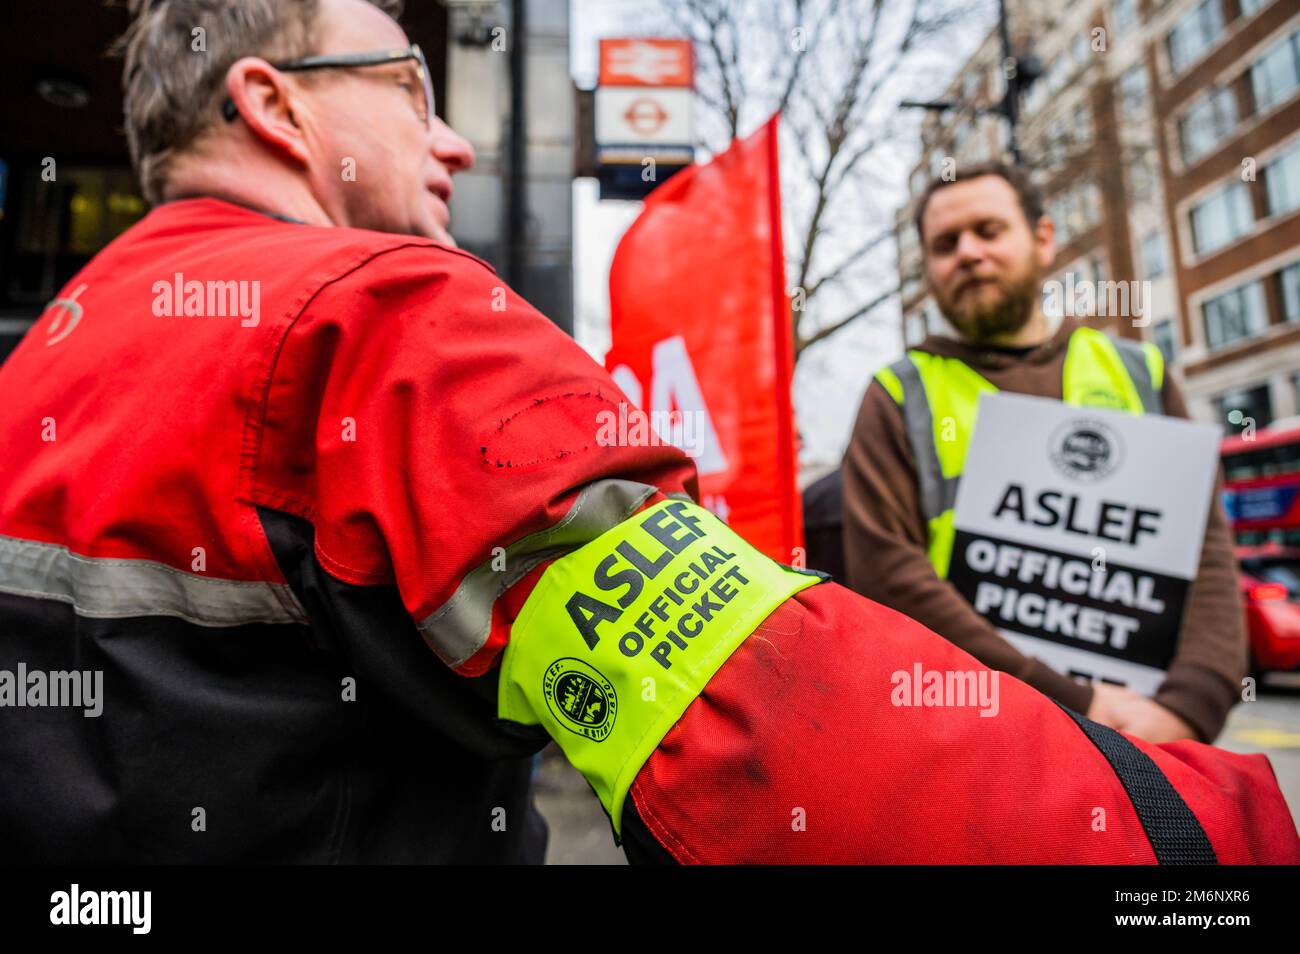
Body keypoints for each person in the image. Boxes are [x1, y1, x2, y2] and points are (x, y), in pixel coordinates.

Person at [0, 0, 1295, 864]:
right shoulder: (383, 314)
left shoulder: (42, 361)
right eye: (409, 87)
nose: (450, 140)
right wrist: (1222, 828)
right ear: (278, 108)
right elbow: (760, 726)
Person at [842, 162, 1244, 746]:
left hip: (1156, 742)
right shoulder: (898, 397)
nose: (969, 253)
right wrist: (1074, 702)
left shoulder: (1141, 372)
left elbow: (1206, 553)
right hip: (981, 745)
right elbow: (891, 581)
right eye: (945, 244)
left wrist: (1188, 708)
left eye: (989, 230)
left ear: (1043, 239)